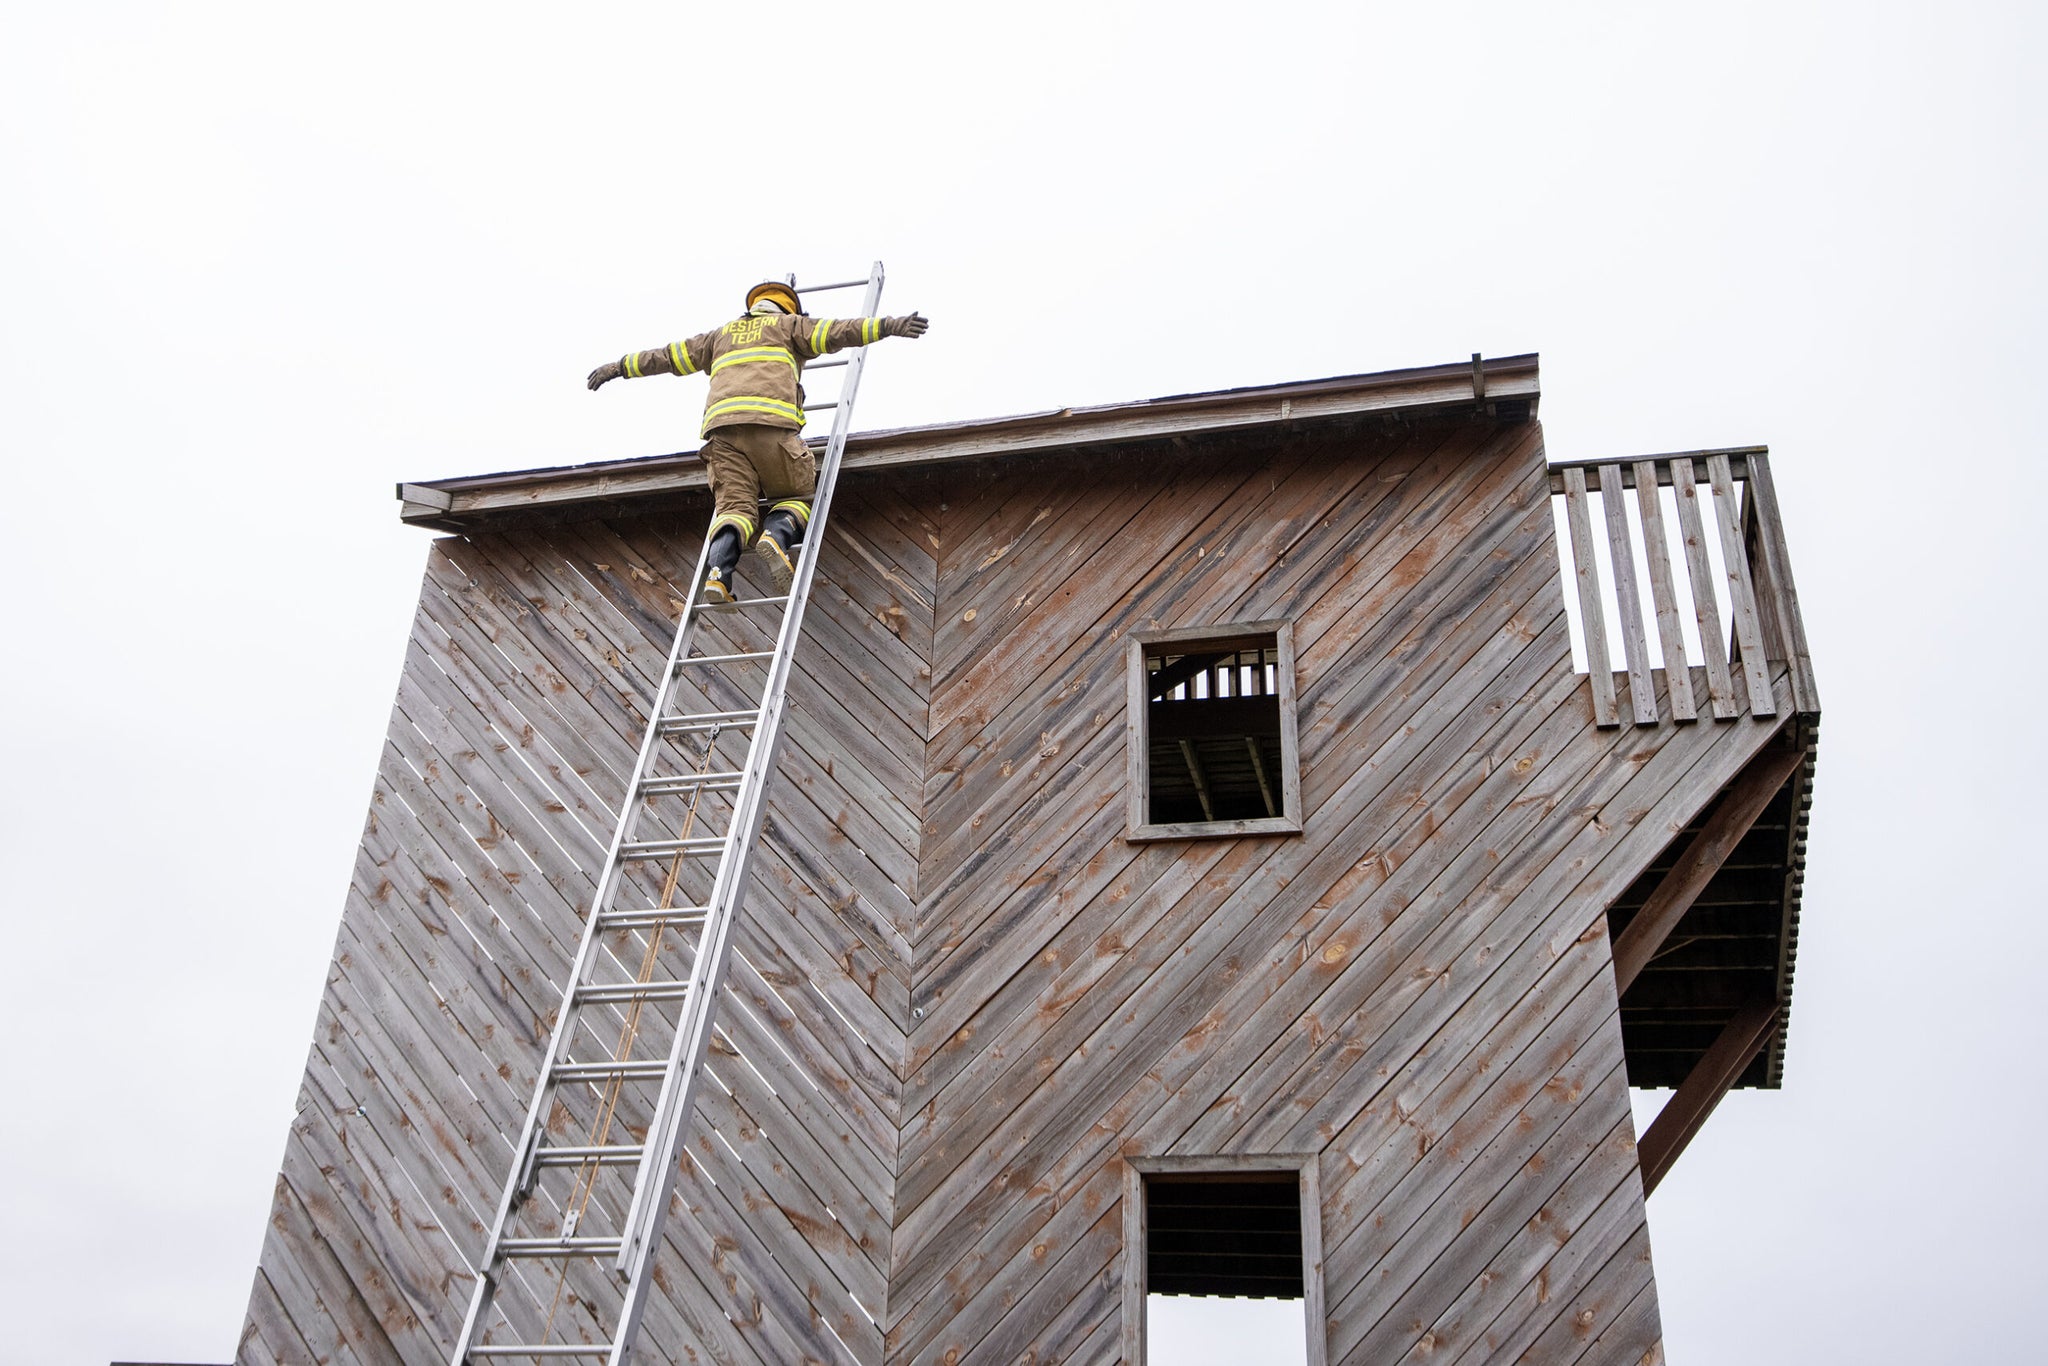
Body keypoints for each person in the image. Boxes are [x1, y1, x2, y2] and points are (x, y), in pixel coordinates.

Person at [588, 282, 929, 604]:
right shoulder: (790, 326)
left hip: (722, 436)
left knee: (734, 511)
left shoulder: (719, 336)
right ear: (787, 309)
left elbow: (667, 356)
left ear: (753, 308)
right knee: (797, 497)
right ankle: (776, 537)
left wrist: (618, 367)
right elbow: (841, 330)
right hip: (772, 429)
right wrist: (889, 325)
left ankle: (719, 576)